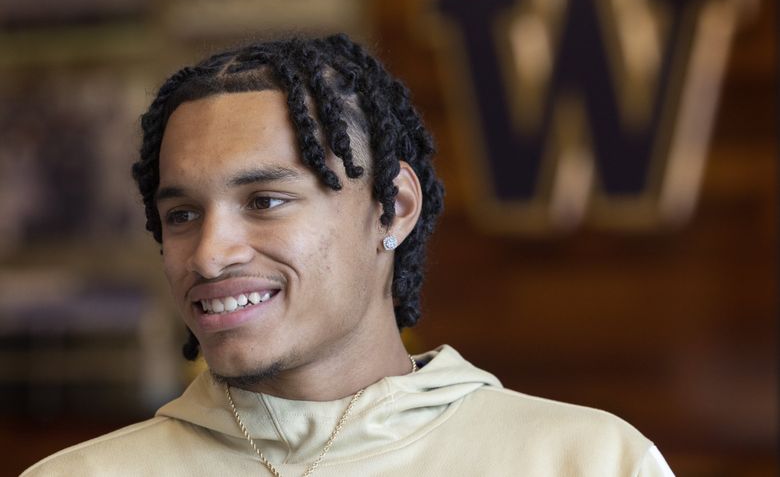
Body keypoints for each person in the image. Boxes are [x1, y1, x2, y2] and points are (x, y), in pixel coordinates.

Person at [23, 34, 674, 476]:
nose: (210, 255)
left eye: (265, 200)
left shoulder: (587, 461)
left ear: (393, 207)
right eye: (182, 215)